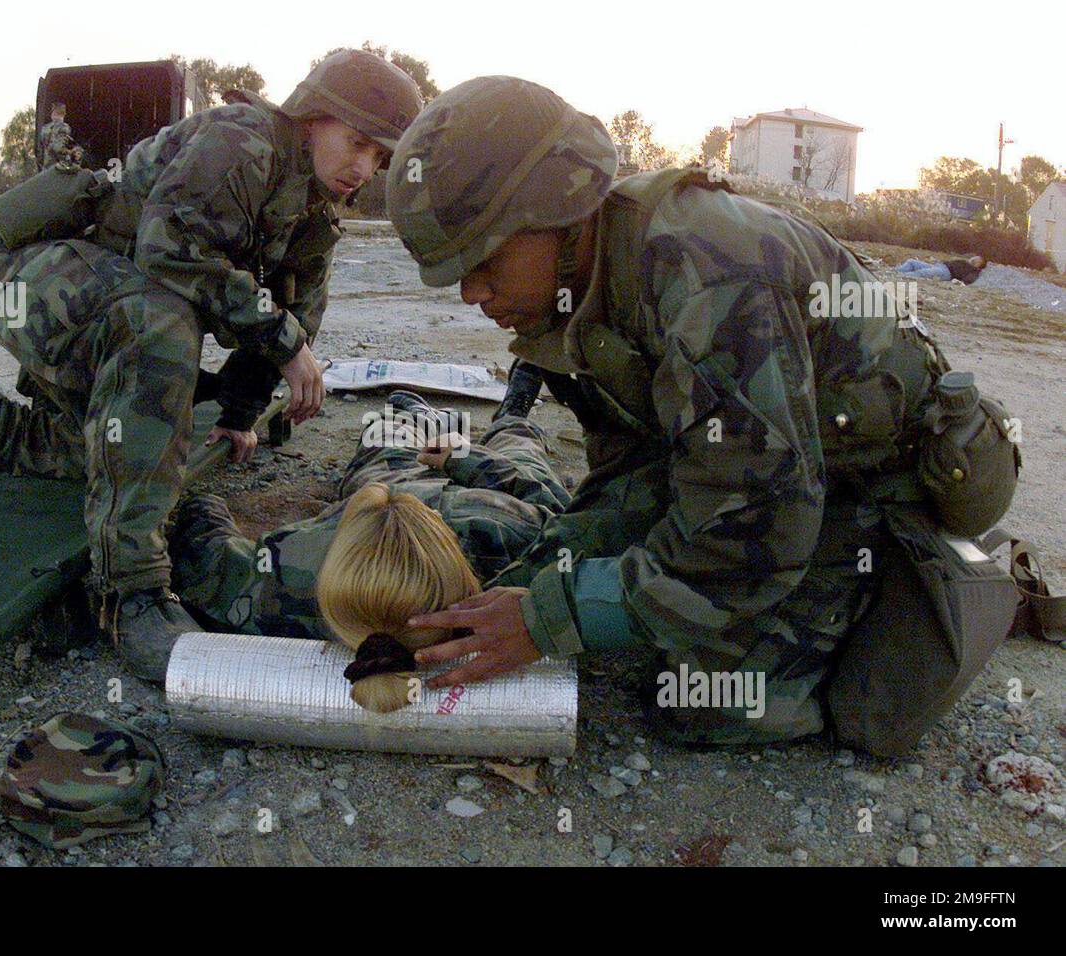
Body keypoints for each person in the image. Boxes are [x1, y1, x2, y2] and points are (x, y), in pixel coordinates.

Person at [384, 76, 1015, 746]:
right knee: (590, 582)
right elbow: (631, 468)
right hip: (772, 462)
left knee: (713, 703)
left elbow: (755, 536)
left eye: (483, 261)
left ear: (559, 214)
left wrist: (548, 619)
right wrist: (534, 583)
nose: (471, 294)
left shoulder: (710, 281)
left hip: (871, 483)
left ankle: (936, 579)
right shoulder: (586, 284)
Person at [0, 51, 424, 682]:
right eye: (358, 143)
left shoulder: (314, 214)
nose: (363, 169)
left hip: (105, 298)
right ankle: (130, 595)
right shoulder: (242, 140)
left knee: (127, 452)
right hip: (27, 272)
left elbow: (297, 314)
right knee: (161, 330)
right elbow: (169, 250)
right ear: (313, 118)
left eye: (380, 158)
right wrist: (285, 343)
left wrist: (238, 412)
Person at [167, 387, 571, 697]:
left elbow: (204, 547)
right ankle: (500, 415)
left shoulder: (292, 570)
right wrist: (465, 459)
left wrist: (202, 502)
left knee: (389, 447)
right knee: (518, 451)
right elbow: (559, 509)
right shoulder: (518, 542)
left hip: (391, 497)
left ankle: (465, 417)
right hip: (467, 499)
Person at [38, 102, 82, 169]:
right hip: (59, 169)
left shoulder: (45, 128)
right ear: (64, 114)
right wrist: (72, 152)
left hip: (46, 168)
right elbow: (58, 148)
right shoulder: (63, 127)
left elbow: (39, 152)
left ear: (52, 113)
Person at [896, 254, 986, 284]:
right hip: (939, 266)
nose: (975, 259)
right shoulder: (964, 262)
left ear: (979, 266)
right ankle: (893, 273)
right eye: (976, 257)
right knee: (912, 262)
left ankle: (900, 277)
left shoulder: (974, 271)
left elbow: (968, 280)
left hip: (946, 273)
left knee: (922, 273)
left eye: (978, 260)